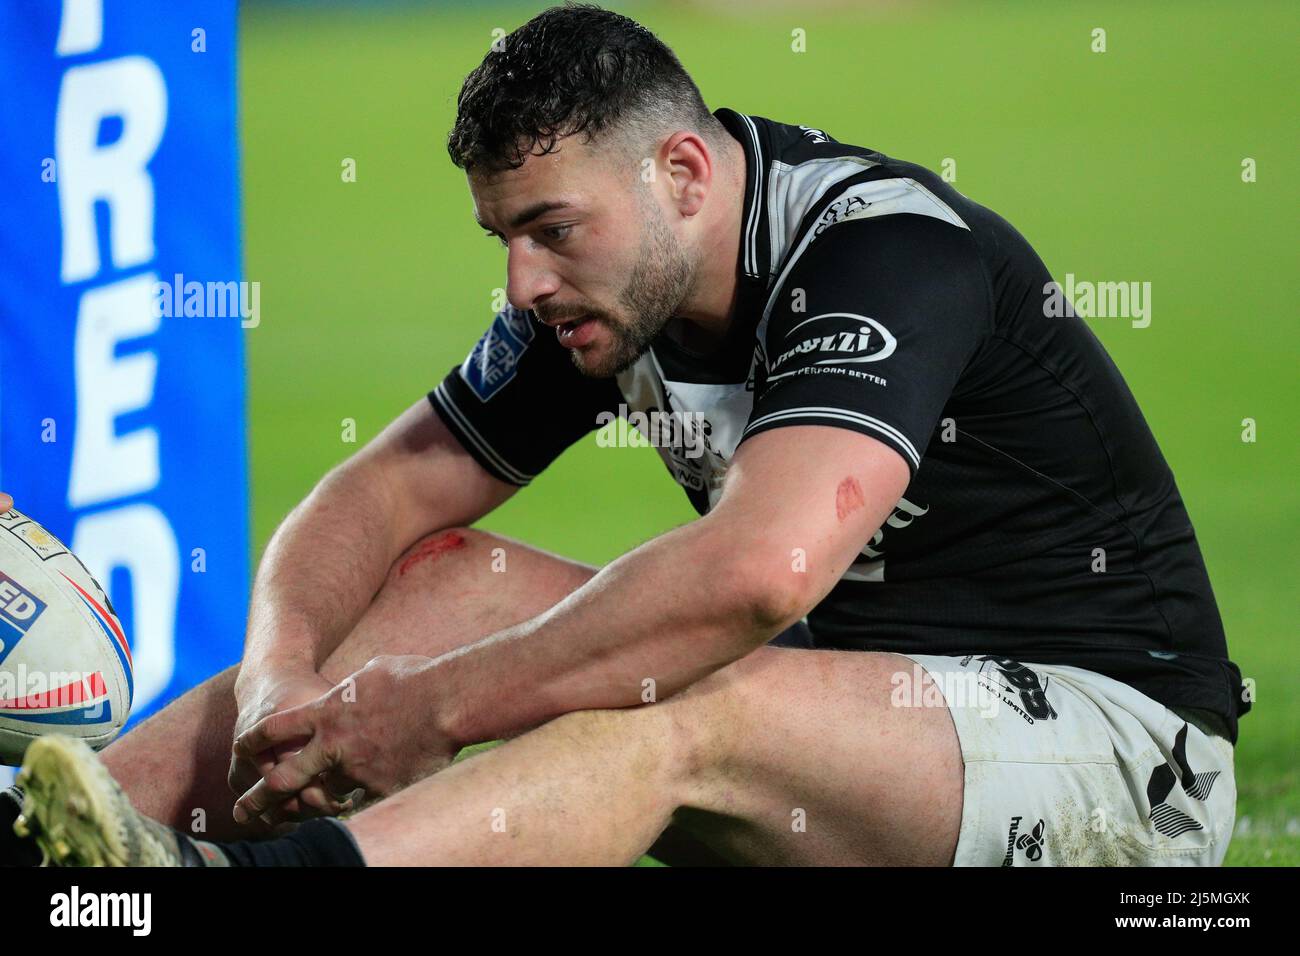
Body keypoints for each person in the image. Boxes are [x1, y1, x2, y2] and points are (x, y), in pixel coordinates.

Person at [3, 3, 1247, 868]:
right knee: (444, 583)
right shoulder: (610, 291)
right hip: (866, 731)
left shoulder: (885, 255)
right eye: (503, 236)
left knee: (661, 695)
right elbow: (376, 495)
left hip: (1118, 760)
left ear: (684, 177)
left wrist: (435, 707)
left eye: (551, 229)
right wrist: (280, 674)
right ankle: (62, 853)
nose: (522, 281)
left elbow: (758, 574)